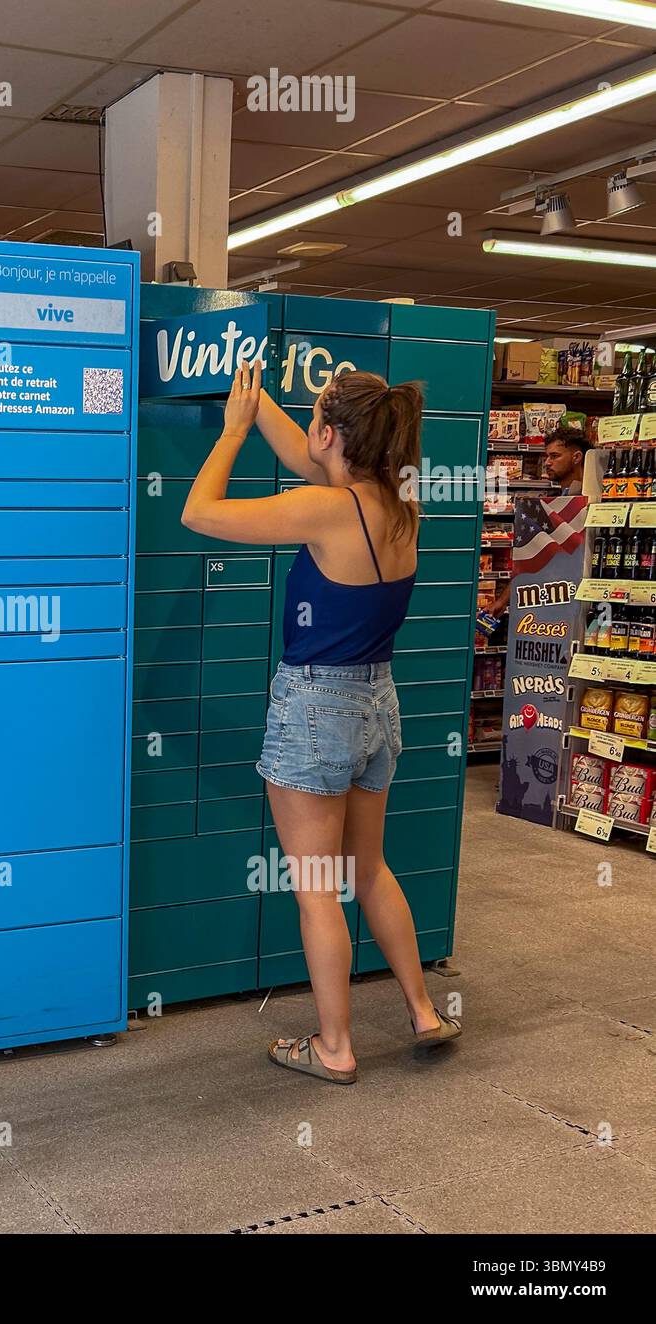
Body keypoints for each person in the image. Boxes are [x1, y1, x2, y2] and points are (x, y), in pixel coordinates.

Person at [181, 363, 461, 1086]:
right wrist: (262, 398)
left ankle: (334, 1048)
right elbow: (313, 456)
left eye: (316, 423)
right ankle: (425, 1011)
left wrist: (235, 428)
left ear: (333, 435)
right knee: (367, 870)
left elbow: (200, 512)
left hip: (314, 709)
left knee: (315, 885)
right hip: (377, 706)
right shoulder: (401, 502)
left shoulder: (326, 510)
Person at [479, 426, 589, 629]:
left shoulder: (591, 501)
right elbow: (533, 561)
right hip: (551, 603)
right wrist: (502, 602)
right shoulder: (559, 501)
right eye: (546, 456)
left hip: (577, 605)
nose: (547, 463)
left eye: (555, 456)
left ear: (576, 457)